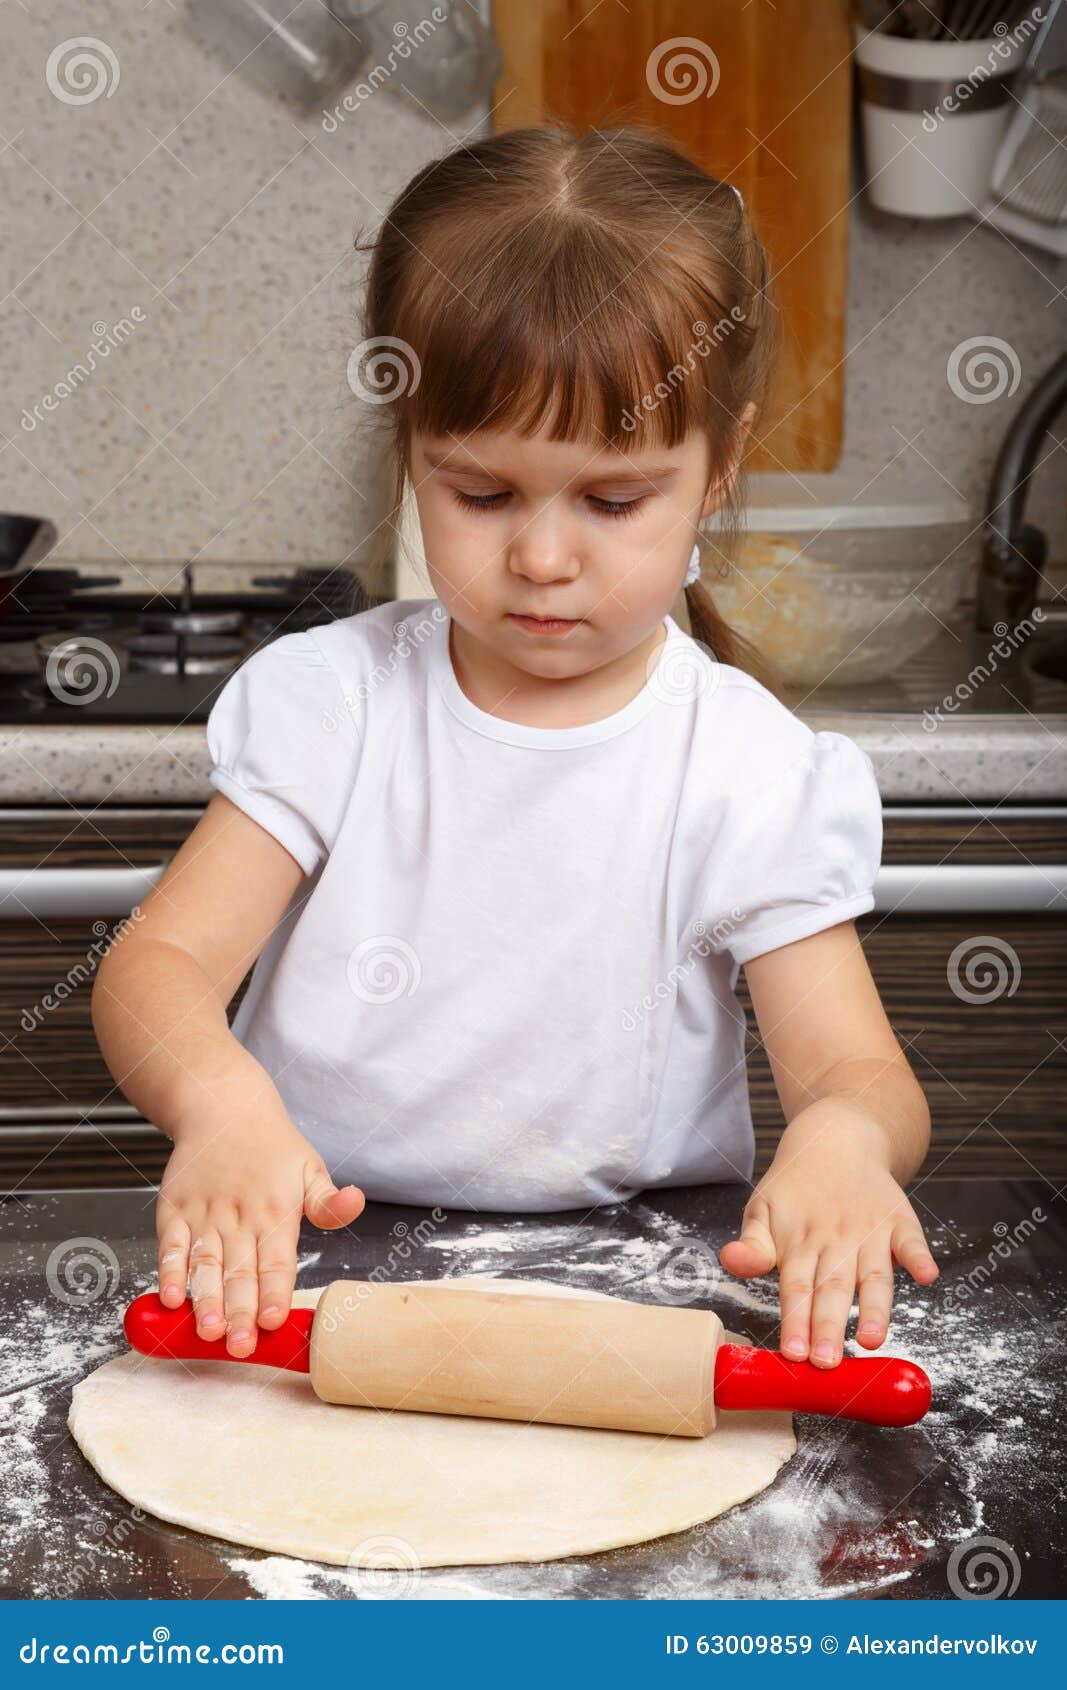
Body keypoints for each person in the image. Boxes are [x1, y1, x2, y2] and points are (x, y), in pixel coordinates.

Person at [93, 123, 936, 1376]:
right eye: (479, 494)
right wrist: (218, 1107)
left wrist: (845, 1144)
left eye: (611, 499)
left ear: (719, 471)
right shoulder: (338, 703)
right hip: (311, 1276)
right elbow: (154, 968)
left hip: (635, 1296)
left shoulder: (744, 765)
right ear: (410, 456)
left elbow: (856, 1070)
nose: (542, 559)